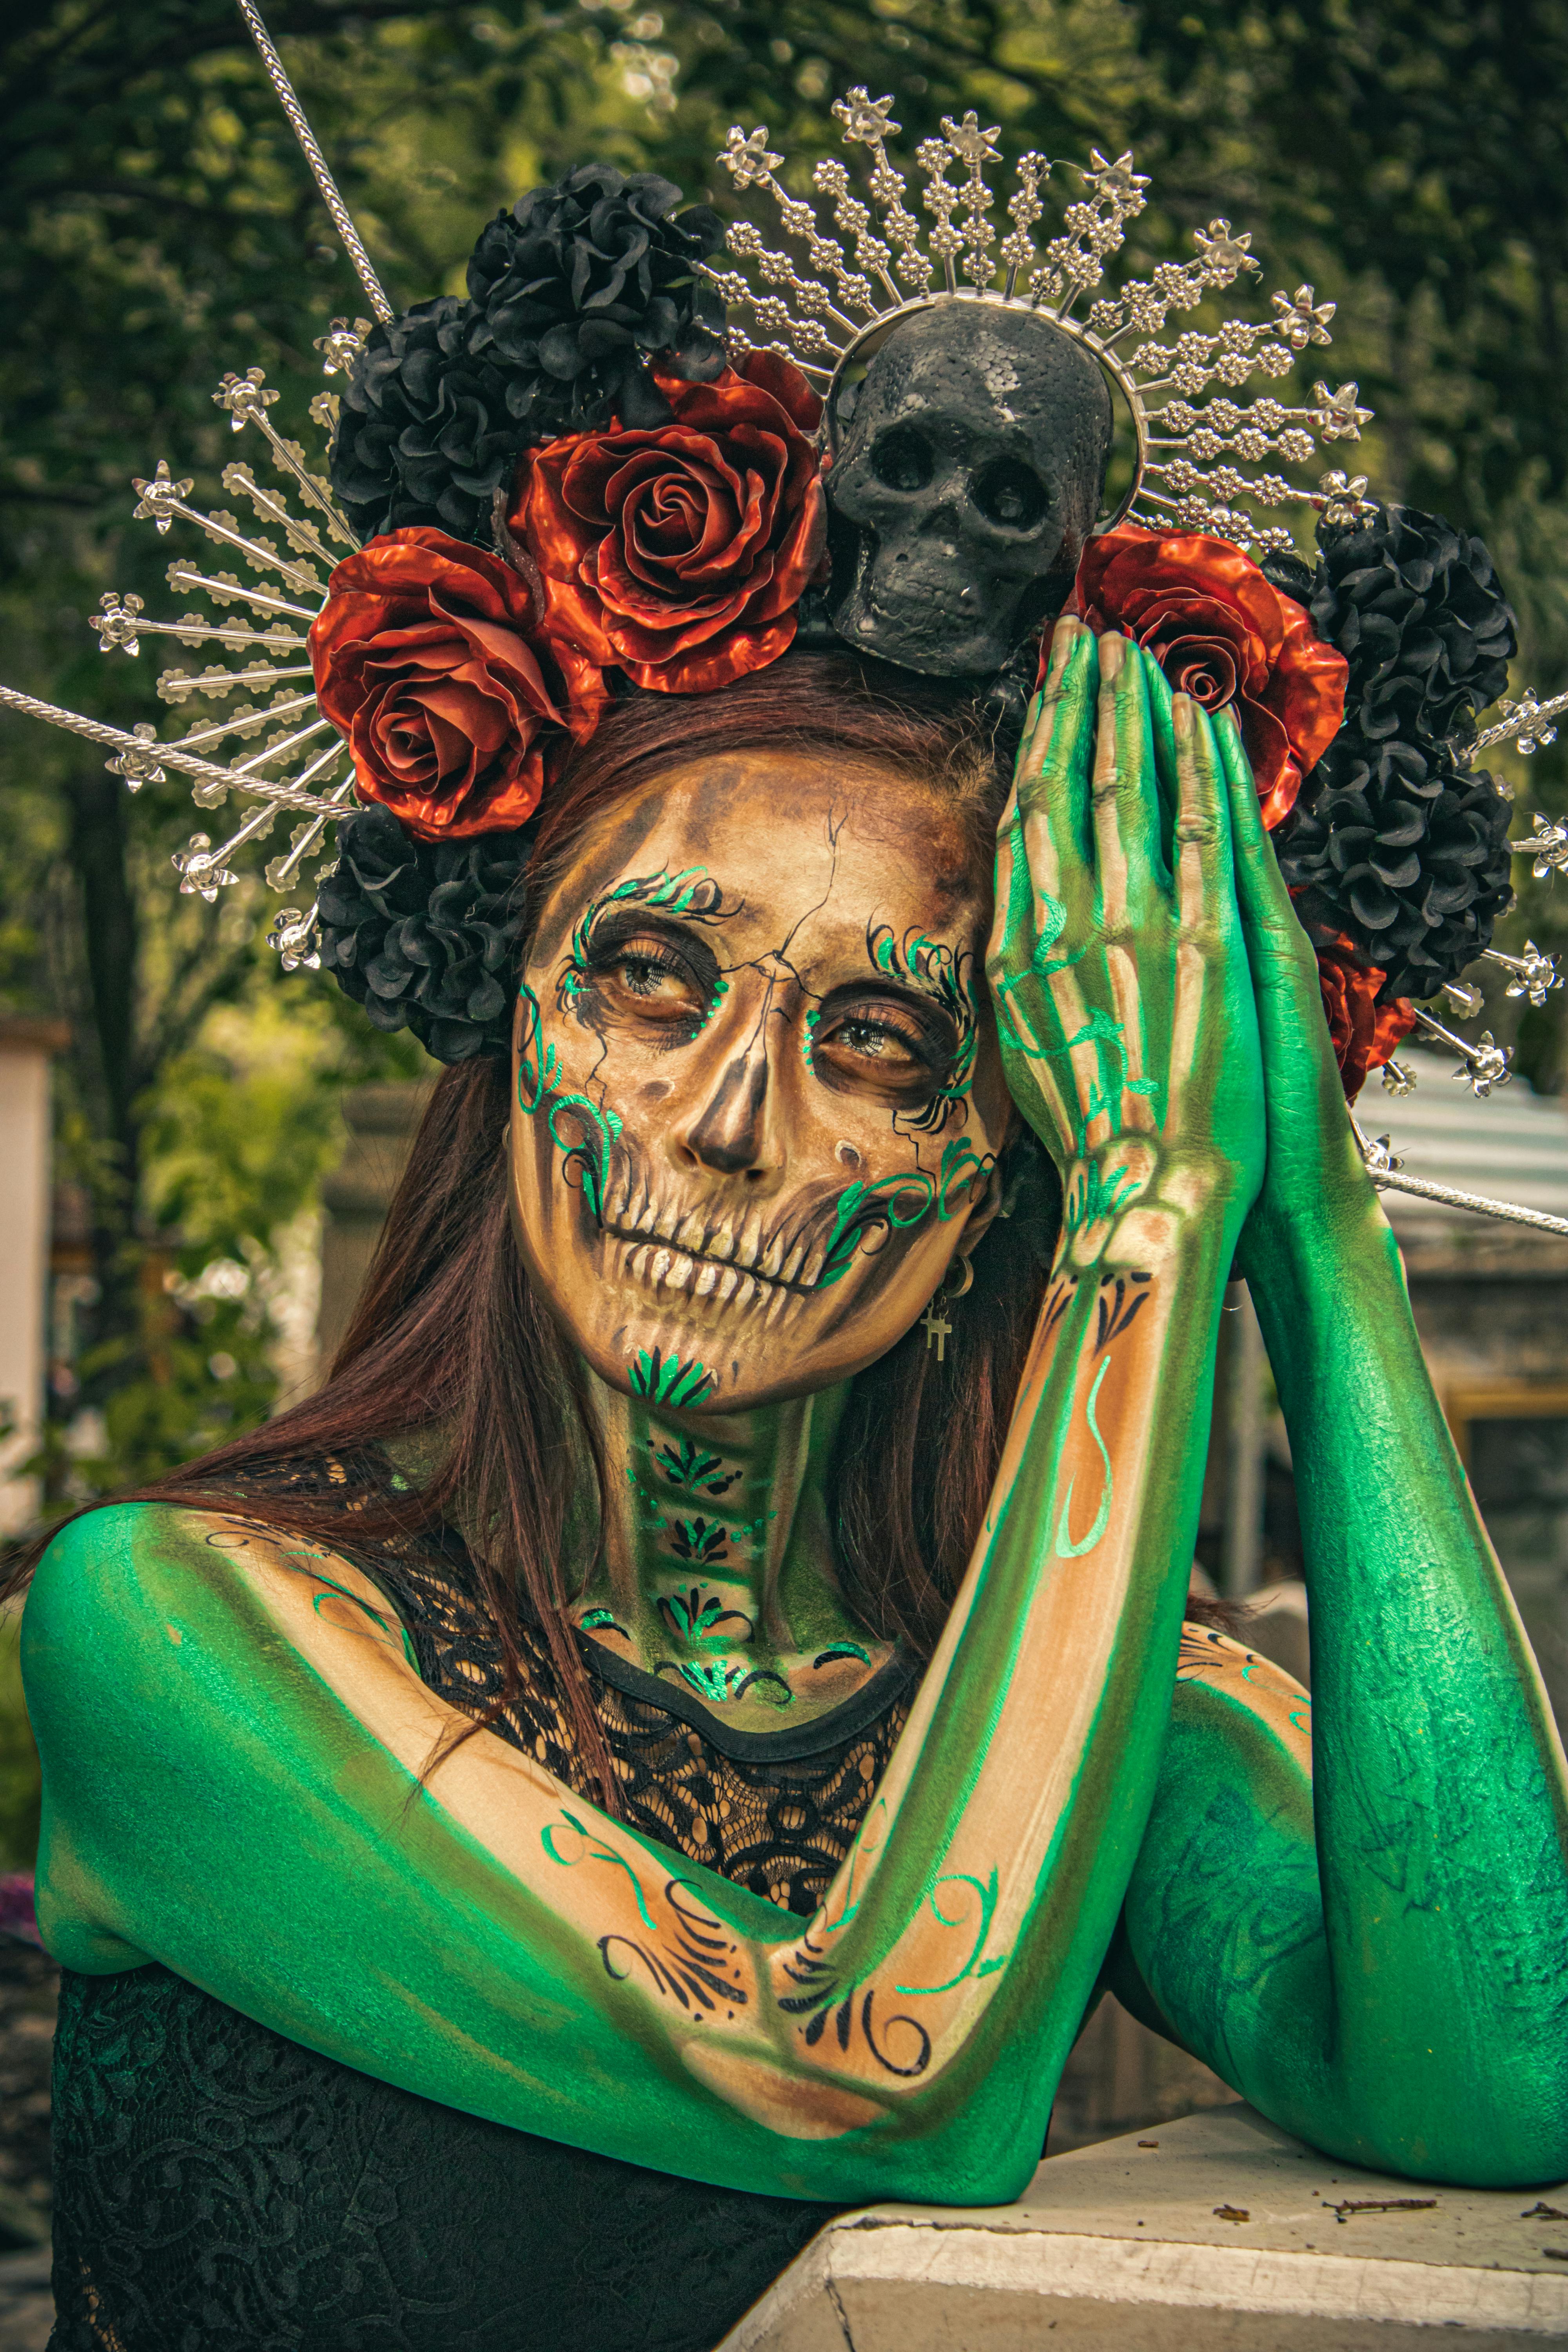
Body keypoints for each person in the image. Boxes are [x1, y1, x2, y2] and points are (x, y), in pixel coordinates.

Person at [9, 106, 1568, 2352]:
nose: (728, 1120)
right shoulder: (176, 1625)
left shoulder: (1079, 1690)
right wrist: (1144, 1211)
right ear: (515, 1013)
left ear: (998, 1145)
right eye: (651, 980)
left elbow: (1509, 2076)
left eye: (883, 1043)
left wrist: (1296, 1204)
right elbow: (863, 2076)